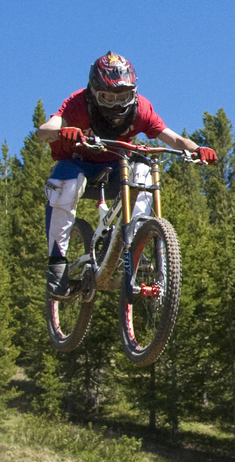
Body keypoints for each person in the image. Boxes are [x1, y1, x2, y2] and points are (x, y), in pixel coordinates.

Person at [36, 52, 217, 297]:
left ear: (133, 92)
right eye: (108, 98)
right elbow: (44, 130)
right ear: (93, 93)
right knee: (64, 186)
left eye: (123, 97)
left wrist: (197, 149)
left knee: (143, 169)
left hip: (114, 167)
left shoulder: (140, 108)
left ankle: (137, 246)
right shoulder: (79, 103)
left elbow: (173, 138)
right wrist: (62, 130)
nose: (117, 104)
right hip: (77, 164)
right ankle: (57, 264)